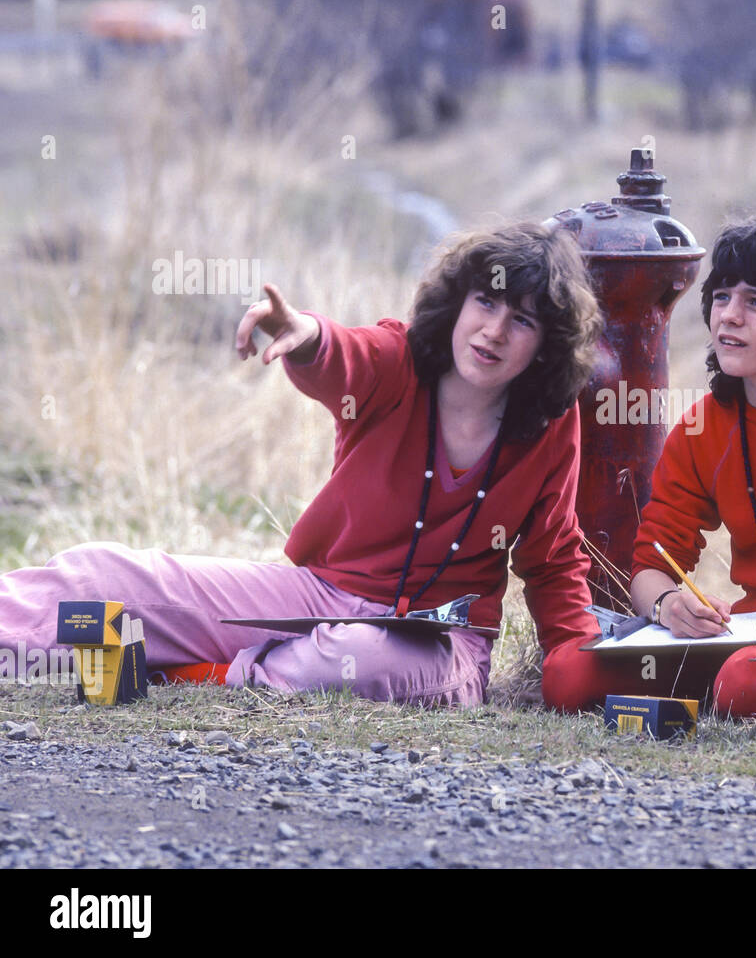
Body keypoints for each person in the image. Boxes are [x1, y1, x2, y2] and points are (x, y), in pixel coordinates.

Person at [0, 223, 605, 709]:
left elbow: (552, 557)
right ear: (459, 302)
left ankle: (198, 675)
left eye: (522, 320)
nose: (493, 330)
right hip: (317, 595)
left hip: (442, 645)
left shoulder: (550, 423)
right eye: (487, 301)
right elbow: (345, 356)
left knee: (362, 658)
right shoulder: (399, 361)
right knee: (106, 575)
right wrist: (306, 333)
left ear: (546, 343)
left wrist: (576, 656)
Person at [542, 218, 756, 714]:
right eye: (721, 297)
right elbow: (652, 564)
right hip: (749, 638)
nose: (729, 317)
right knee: (567, 676)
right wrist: (670, 606)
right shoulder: (703, 427)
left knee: (745, 684)